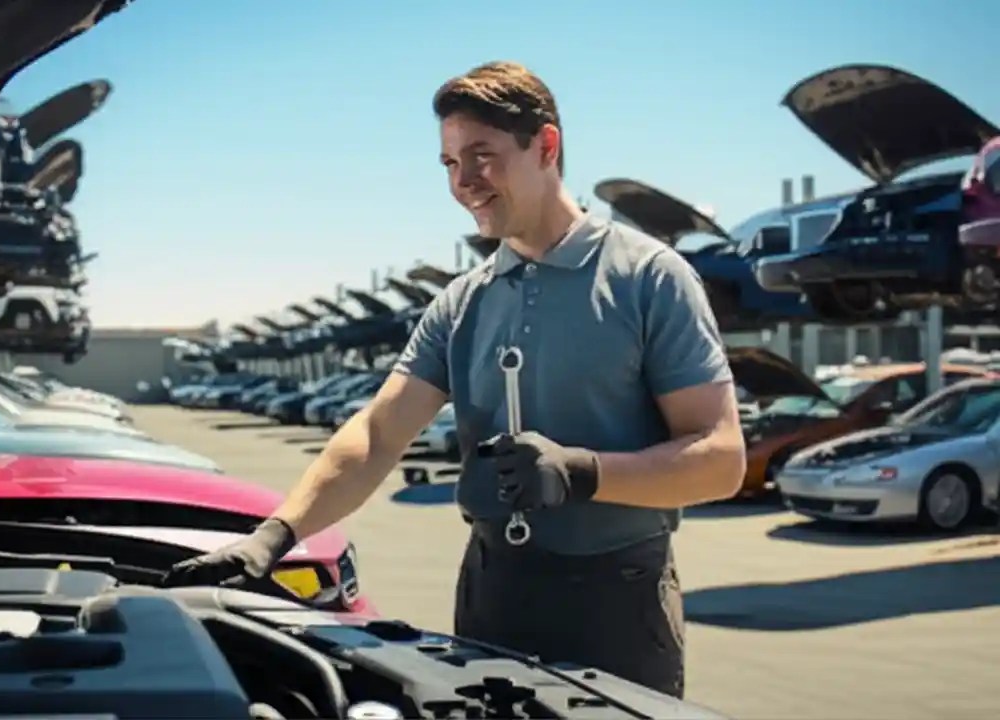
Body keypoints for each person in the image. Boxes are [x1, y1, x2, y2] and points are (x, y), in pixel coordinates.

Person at [163, 60, 746, 699]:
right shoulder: (462, 303)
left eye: (481, 156)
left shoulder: (649, 278)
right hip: (493, 597)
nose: (464, 182)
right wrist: (273, 537)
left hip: (618, 604)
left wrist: (582, 471)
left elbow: (719, 460)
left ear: (545, 146)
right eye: (448, 164)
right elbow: (378, 435)